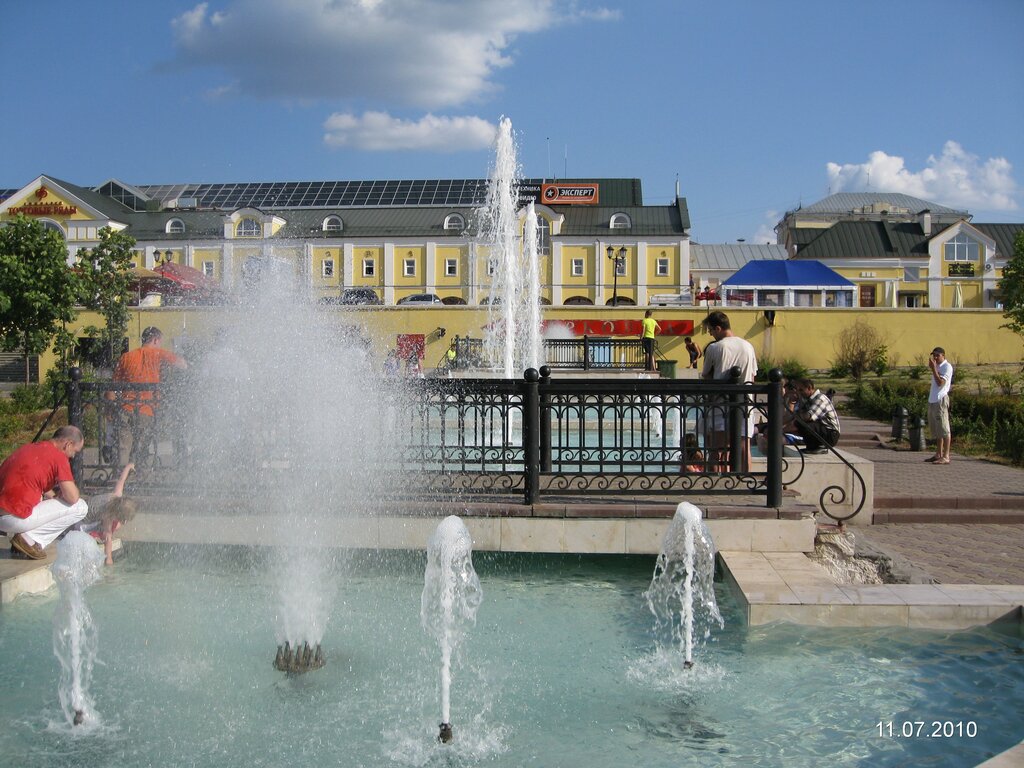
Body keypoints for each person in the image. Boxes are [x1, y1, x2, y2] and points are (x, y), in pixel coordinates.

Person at [0, 426, 88, 560]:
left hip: (3, 517)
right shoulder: (58, 456)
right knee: (80, 507)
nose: (73, 456)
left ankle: (22, 542)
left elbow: (33, 481)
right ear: (68, 444)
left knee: (41, 498)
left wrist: (54, 497)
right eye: (75, 451)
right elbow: (73, 498)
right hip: (15, 518)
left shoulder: (29, 448)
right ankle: (28, 539)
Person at [111, 326, 187, 465]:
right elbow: (182, 364)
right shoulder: (158, 354)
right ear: (156, 340)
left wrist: (109, 408)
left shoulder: (127, 356)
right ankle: (138, 475)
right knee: (140, 447)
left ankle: (120, 478)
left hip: (125, 408)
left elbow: (114, 385)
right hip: (146, 409)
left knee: (123, 447)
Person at [700, 311, 758, 471]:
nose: (711, 334)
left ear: (718, 328)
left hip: (719, 404)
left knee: (716, 448)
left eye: (711, 331)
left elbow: (707, 376)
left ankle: (715, 485)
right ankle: (746, 481)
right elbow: (752, 377)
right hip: (744, 404)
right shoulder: (748, 346)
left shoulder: (716, 347)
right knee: (744, 447)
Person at [77, 463, 137, 565]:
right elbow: (108, 537)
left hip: (89, 514)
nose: (125, 522)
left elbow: (122, 480)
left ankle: (96, 532)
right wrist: (108, 558)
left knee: (116, 525)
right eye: (124, 519)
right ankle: (93, 534)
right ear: (118, 513)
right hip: (82, 524)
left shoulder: (117, 496)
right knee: (114, 528)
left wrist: (128, 467)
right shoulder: (108, 514)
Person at [786, 379, 841, 454]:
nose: (798, 393)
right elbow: (793, 416)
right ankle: (812, 446)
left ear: (809, 388)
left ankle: (822, 446)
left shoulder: (820, 399)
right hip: (820, 430)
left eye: (801, 390)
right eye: (797, 390)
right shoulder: (807, 400)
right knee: (800, 423)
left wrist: (782, 430)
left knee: (801, 423)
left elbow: (808, 416)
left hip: (830, 435)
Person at [926, 346, 953, 464]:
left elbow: (940, 383)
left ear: (943, 355)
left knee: (944, 428)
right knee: (937, 429)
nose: (935, 357)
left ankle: (946, 456)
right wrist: (934, 368)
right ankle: (938, 454)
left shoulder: (947, 367)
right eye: (934, 355)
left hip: (940, 400)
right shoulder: (937, 366)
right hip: (933, 400)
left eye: (938, 355)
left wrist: (933, 369)